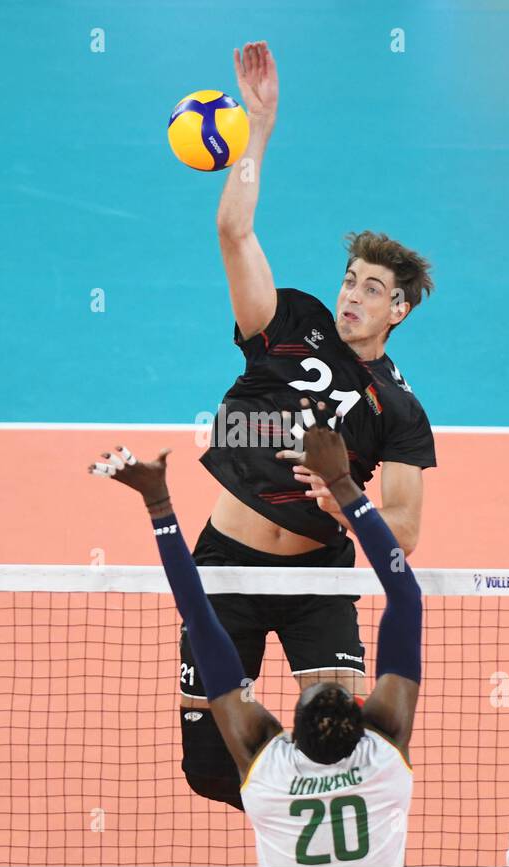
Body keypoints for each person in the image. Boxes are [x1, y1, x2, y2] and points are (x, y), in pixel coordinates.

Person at [186, 39, 437, 810]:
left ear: (399, 310)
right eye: (351, 279)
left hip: (316, 575)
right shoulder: (290, 320)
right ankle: (293, 821)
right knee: (206, 765)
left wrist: (343, 505)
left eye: (372, 288)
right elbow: (234, 234)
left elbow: (408, 530)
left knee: (351, 755)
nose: (353, 295)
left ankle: (311, 835)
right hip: (225, 563)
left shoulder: (401, 411)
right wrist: (257, 131)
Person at [92, 400, 422, 865]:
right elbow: (406, 594)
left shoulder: (272, 780)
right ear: (364, 728)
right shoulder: (346, 765)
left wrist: (159, 506)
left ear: (283, 735)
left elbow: (201, 621)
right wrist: (344, 484)